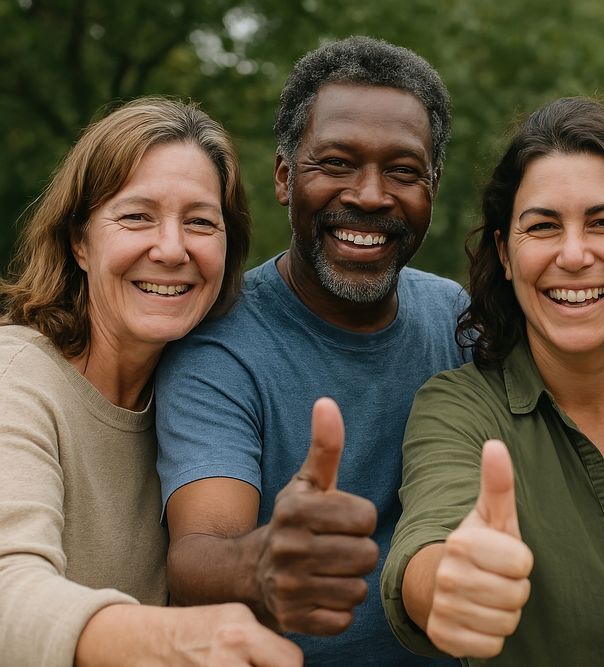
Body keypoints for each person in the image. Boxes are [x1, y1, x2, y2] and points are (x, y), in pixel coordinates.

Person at [381, 96, 604, 666]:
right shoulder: (456, 409)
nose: (574, 255)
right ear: (504, 252)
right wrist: (450, 582)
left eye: (603, 223)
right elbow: (428, 545)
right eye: (543, 226)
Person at [155, 36, 466, 665]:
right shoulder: (218, 344)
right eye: (337, 163)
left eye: (403, 171)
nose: (370, 195)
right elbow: (198, 550)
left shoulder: (455, 317)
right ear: (283, 177)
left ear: (432, 187)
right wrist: (257, 561)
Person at [0, 98, 301, 666]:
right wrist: (170, 639)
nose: (171, 249)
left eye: (200, 222)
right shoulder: (16, 378)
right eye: (137, 216)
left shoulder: (205, 401)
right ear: (80, 242)